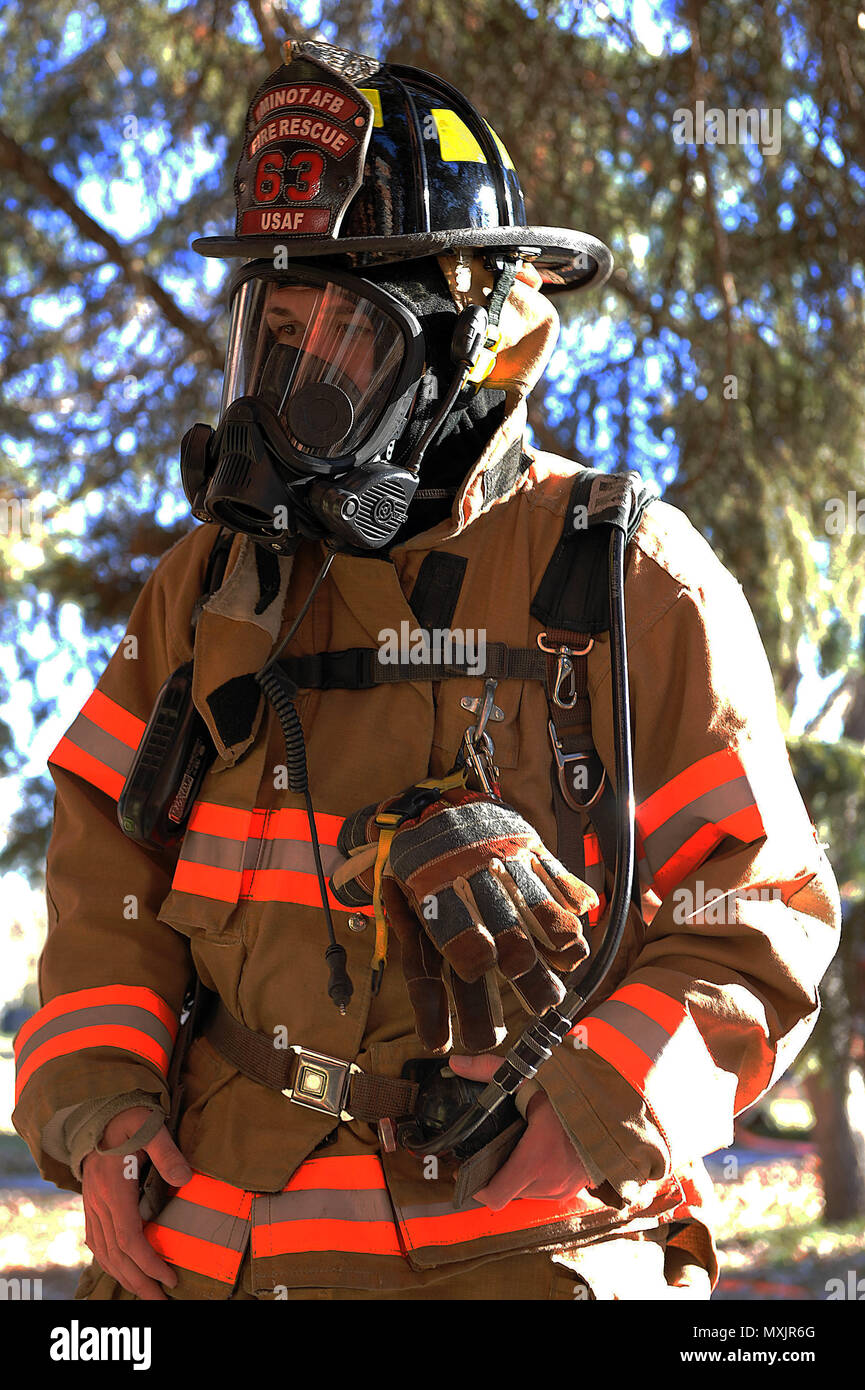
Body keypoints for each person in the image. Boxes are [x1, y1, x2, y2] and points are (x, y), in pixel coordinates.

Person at [13, 39, 841, 1302]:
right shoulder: (208, 588)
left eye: (335, 333)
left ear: (462, 332)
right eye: (270, 332)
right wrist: (105, 1115)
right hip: (211, 1251)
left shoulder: (627, 580)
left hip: (525, 1242)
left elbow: (759, 906)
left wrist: (605, 1098)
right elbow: (102, 884)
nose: (284, 390)